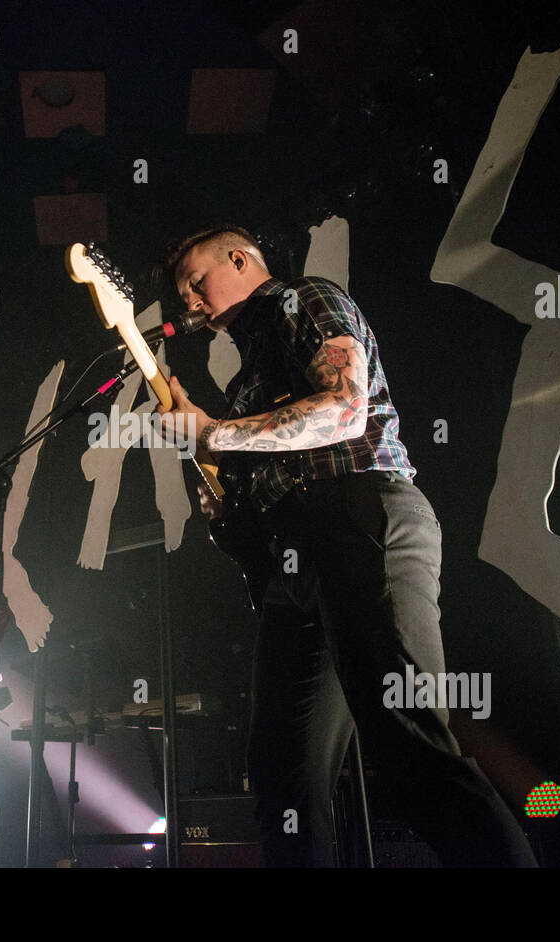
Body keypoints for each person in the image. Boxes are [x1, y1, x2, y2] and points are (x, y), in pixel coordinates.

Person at [155, 225, 537, 867]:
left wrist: (218, 435)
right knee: (282, 772)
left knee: (408, 742)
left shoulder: (301, 299)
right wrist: (226, 509)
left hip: (362, 518)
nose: (191, 301)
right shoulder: (249, 378)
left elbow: (344, 408)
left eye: (197, 281)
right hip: (296, 566)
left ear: (242, 258)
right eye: (183, 293)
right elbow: (254, 484)